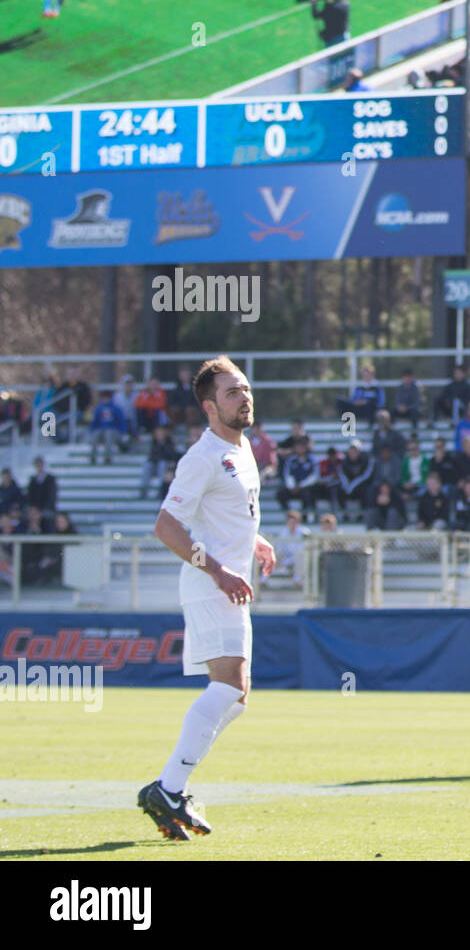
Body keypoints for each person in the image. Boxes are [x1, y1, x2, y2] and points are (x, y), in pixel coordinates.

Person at [138, 356, 277, 842]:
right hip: (211, 584)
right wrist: (217, 569)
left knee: (237, 698)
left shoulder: (243, 448)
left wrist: (255, 540)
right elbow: (165, 526)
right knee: (227, 688)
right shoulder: (202, 456)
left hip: (230, 581)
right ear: (209, 406)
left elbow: (231, 513)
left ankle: (171, 788)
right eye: (232, 392)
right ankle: (168, 787)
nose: (244, 397)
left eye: (245, 388)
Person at [277, 440, 320, 520]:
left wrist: (301, 485)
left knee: (308, 494)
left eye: (301, 447)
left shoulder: (312, 459)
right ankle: (289, 515)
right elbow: (287, 474)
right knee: (281, 494)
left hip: (306, 487)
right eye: (297, 447)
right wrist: (292, 486)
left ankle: (305, 517)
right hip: (293, 487)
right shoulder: (291, 460)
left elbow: (314, 476)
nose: (299, 449)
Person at [336, 440, 374, 521]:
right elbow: (342, 475)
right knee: (339, 490)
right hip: (348, 485)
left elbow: (365, 476)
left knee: (366, 491)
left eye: (355, 450)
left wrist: (353, 485)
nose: (353, 452)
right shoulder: (344, 461)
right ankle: (344, 514)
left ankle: (362, 515)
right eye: (351, 450)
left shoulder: (365, 460)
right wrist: (348, 486)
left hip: (360, 485)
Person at [140, 425, 180, 499]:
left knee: (162, 464)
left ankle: (161, 488)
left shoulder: (169, 443)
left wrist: (163, 445)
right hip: (154, 464)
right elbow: (152, 456)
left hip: (165, 465)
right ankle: (144, 488)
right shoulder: (154, 443)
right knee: (147, 465)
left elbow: (170, 455)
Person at [88, 390, 128, 465]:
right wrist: (92, 431)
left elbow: (121, 422)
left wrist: (123, 432)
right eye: (104, 398)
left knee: (108, 433)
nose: (106, 399)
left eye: (107, 397)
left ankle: (108, 457)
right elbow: (94, 422)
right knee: (96, 433)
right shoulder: (99, 409)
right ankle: (92, 456)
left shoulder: (116, 409)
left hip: (114, 432)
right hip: (102, 431)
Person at [277, 510, 310, 585]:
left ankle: (298, 580)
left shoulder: (304, 532)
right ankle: (263, 579)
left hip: (301, 561)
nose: (292, 524)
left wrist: (284, 562)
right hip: (287, 559)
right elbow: (280, 549)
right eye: (290, 522)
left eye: (294, 522)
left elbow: (302, 550)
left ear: (299, 522)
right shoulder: (283, 533)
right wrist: (279, 560)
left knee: (299, 555)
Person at [26, 457, 57, 521]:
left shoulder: (50, 479)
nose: (39, 467)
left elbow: (52, 496)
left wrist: (42, 509)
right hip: (35, 508)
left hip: (47, 508)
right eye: (37, 465)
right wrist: (34, 508)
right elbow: (30, 496)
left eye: (40, 465)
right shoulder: (33, 480)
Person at [113, 374, 139, 447]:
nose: (128, 386)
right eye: (127, 384)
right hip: (121, 421)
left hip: (133, 421)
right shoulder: (117, 397)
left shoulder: (137, 396)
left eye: (130, 384)